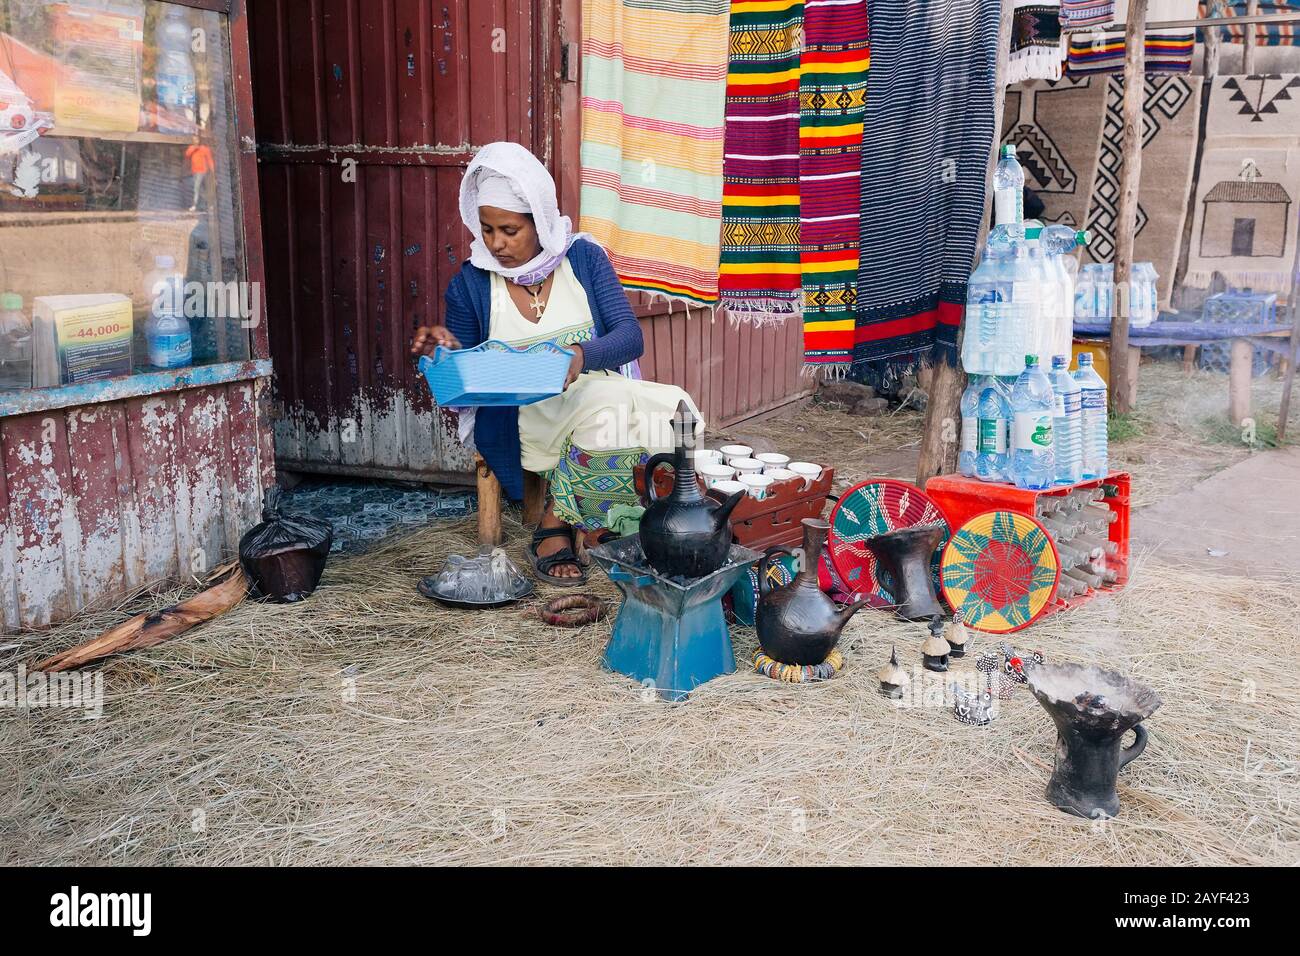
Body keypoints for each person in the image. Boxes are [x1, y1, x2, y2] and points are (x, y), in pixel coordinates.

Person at [411, 142, 702, 586]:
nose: (496, 243)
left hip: (596, 395)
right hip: (524, 413)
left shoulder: (583, 259)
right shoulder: (471, 283)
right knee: (615, 405)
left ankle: (578, 517)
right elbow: (464, 369)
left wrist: (583, 355)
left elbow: (630, 337)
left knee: (670, 403)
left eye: (509, 229)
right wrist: (444, 349)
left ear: (540, 220)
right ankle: (557, 525)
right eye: (486, 229)